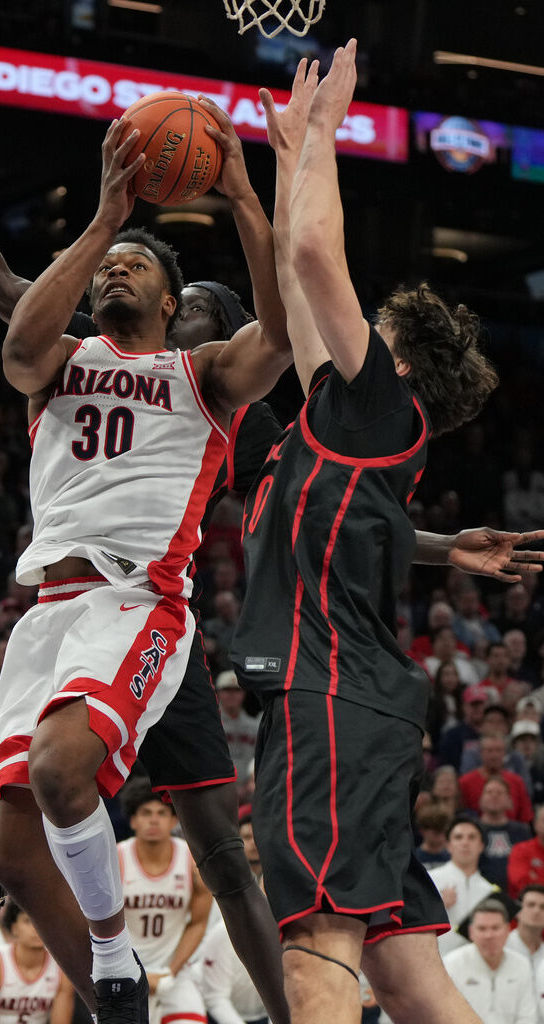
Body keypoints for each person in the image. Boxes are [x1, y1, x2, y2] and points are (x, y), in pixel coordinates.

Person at [0, 103, 544, 1024]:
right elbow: (5, 294)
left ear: (190, 317)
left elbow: (305, 386)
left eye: (194, 300)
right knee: (6, 853)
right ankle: (106, 995)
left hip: (152, 613)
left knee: (227, 862)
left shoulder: (226, 391)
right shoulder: (66, 351)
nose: (175, 300)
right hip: (59, 610)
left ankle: (134, 977)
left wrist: (252, 184)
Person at [231, 47, 503, 1024]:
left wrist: (326, 135)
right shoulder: (354, 425)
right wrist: (286, 154)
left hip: (331, 701)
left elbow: (312, 258)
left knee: (316, 958)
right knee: (405, 977)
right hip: (358, 702)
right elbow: (298, 294)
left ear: (390, 355)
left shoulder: (376, 407)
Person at [119, 788, 211, 1024]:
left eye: (161, 813)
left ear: (174, 820)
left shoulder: (192, 860)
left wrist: (171, 971)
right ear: (132, 820)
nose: (153, 819)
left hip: (174, 970)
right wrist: (126, 972)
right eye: (146, 813)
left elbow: (198, 923)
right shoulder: (115, 859)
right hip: (123, 970)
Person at [198, 815, 270, 1024]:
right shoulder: (218, 885)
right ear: (237, 842)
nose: (254, 843)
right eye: (247, 837)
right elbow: (209, 936)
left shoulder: (277, 882)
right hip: (218, 962)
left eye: (257, 837)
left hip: (260, 1003)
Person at [0, 902, 74, 1024]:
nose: (36, 928)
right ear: (14, 928)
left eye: (42, 921)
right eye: (28, 921)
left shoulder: (62, 967)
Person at [444, 898, 536, 1024]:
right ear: (471, 932)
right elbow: (446, 1014)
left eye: (495, 928)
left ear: (507, 930)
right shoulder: (452, 963)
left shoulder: (521, 965)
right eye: (482, 928)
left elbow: (528, 1016)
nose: (489, 935)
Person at [429, 818, 496, 956]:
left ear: (481, 846)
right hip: (438, 958)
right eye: (458, 837)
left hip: (476, 962)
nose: (465, 842)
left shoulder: (489, 890)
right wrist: (438, 905)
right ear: (449, 845)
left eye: (471, 837)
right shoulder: (430, 879)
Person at [460, 735, 533, 824]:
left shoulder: (517, 781)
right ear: (481, 753)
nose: (494, 755)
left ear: (504, 753)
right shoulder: (465, 782)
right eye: (489, 751)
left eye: (498, 750)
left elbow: (525, 818)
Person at [479, 776, 532, 888]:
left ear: (509, 800)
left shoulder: (522, 831)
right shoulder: (472, 830)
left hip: (516, 893)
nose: (494, 796)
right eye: (489, 792)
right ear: (481, 799)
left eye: (499, 793)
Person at [214, 671, 259, 791]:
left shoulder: (255, 726)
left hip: (250, 789)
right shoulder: (211, 725)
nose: (232, 695)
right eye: (227, 690)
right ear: (218, 692)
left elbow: (260, 758)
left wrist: (251, 782)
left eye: (237, 690)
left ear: (244, 693)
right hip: (218, 787)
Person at [506, 885, 544, 1019]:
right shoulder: (501, 948)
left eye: (542, 907)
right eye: (531, 905)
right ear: (519, 910)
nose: (536, 911)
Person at [508, 805, 544, 898]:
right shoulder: (521, 849)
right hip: (525, 904)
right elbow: (520, 882)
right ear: (535, 824)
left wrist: (536, 878)